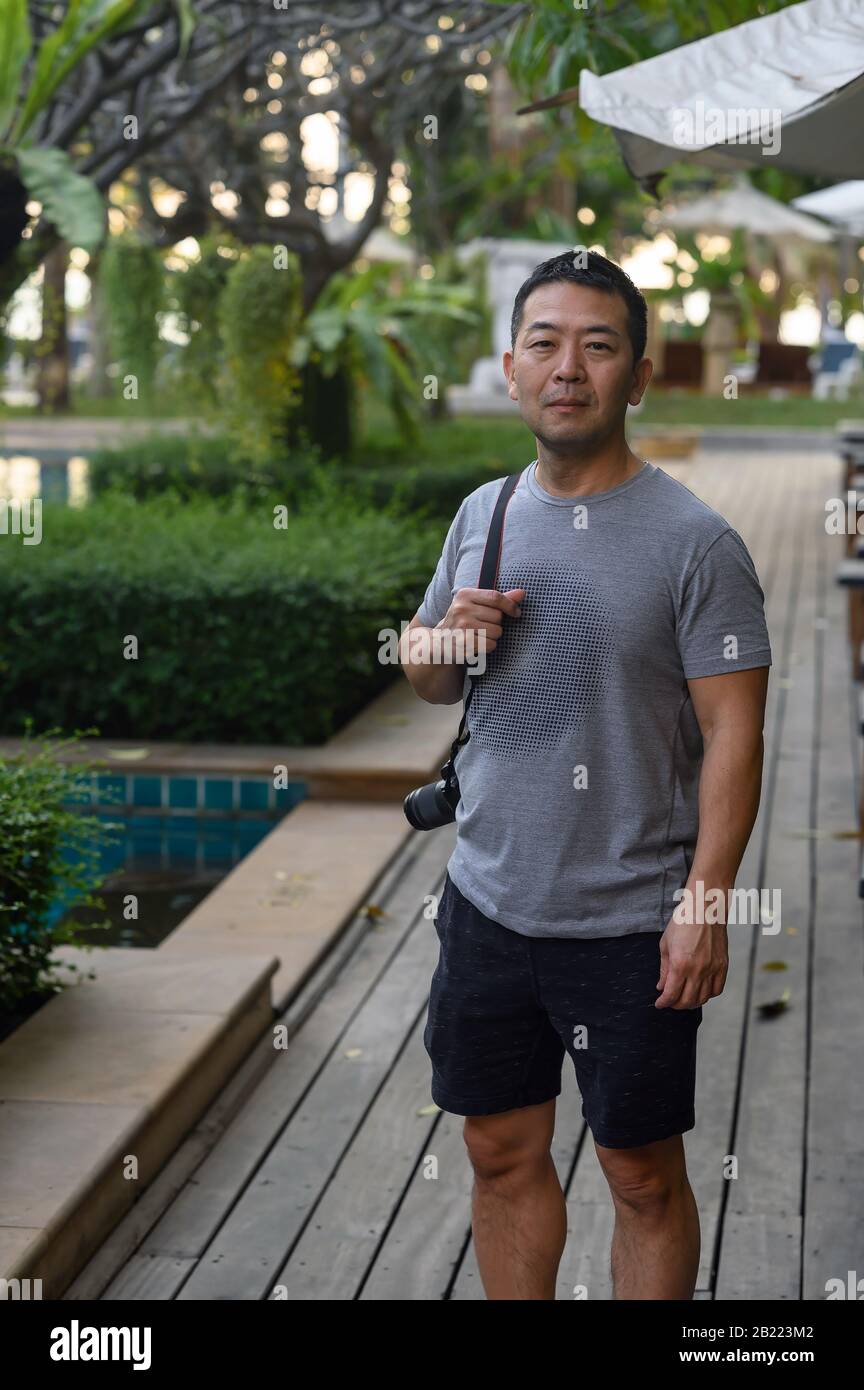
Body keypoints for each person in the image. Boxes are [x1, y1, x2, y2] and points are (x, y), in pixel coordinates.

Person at [398, 249, 771, 1300]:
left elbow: (735, 734)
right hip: (489, 903)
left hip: (632, 919)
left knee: (641, 1175)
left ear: (637, 377)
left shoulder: (698, 544)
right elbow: (424, 676)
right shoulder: (484, 514)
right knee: (499, 1151)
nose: (570, 368)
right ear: (511, 368)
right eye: (547, 344)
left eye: (598, 346)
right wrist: (443, 644)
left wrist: (706, 904)